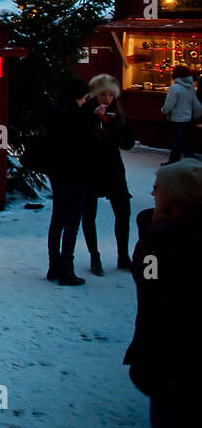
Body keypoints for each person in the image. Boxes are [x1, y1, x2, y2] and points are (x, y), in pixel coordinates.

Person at [124, 159, 202, 428]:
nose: (153, 192)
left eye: (159, 188)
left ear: (177, 197)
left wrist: (150, 235)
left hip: (174, 370)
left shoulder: (166, 245)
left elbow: (149, 285)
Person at [43, 76, 96, 286]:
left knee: (57, 219)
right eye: (84, 98)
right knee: (72, 222)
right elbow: (83, 145)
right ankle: (67, 269)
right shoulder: (77, 116)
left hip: (57, 172)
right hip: (75, 173)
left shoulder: (54, 111)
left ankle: (54, 265)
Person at [83, 74, 135, 275]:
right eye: (103, 94)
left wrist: (113, 124)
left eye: (110, 95)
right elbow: (83, 141)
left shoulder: (118, 114)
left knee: (123, 212)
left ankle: (123, 255)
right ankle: (94, 256)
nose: (107, 99)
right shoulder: (86, 113)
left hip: (113, 169)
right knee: (89, 214)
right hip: (91, 169)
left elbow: (128, 143)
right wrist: (95, 122)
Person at [160, 65, 201, 163]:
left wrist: (163, 111)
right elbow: (195, 104)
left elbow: (169, 105)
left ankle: (192, 158)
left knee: (177, 142)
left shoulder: (175, 88)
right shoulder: (191, 88)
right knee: (179, 141)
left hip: (175, 119)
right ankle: (173, 161)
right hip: (187, 119)